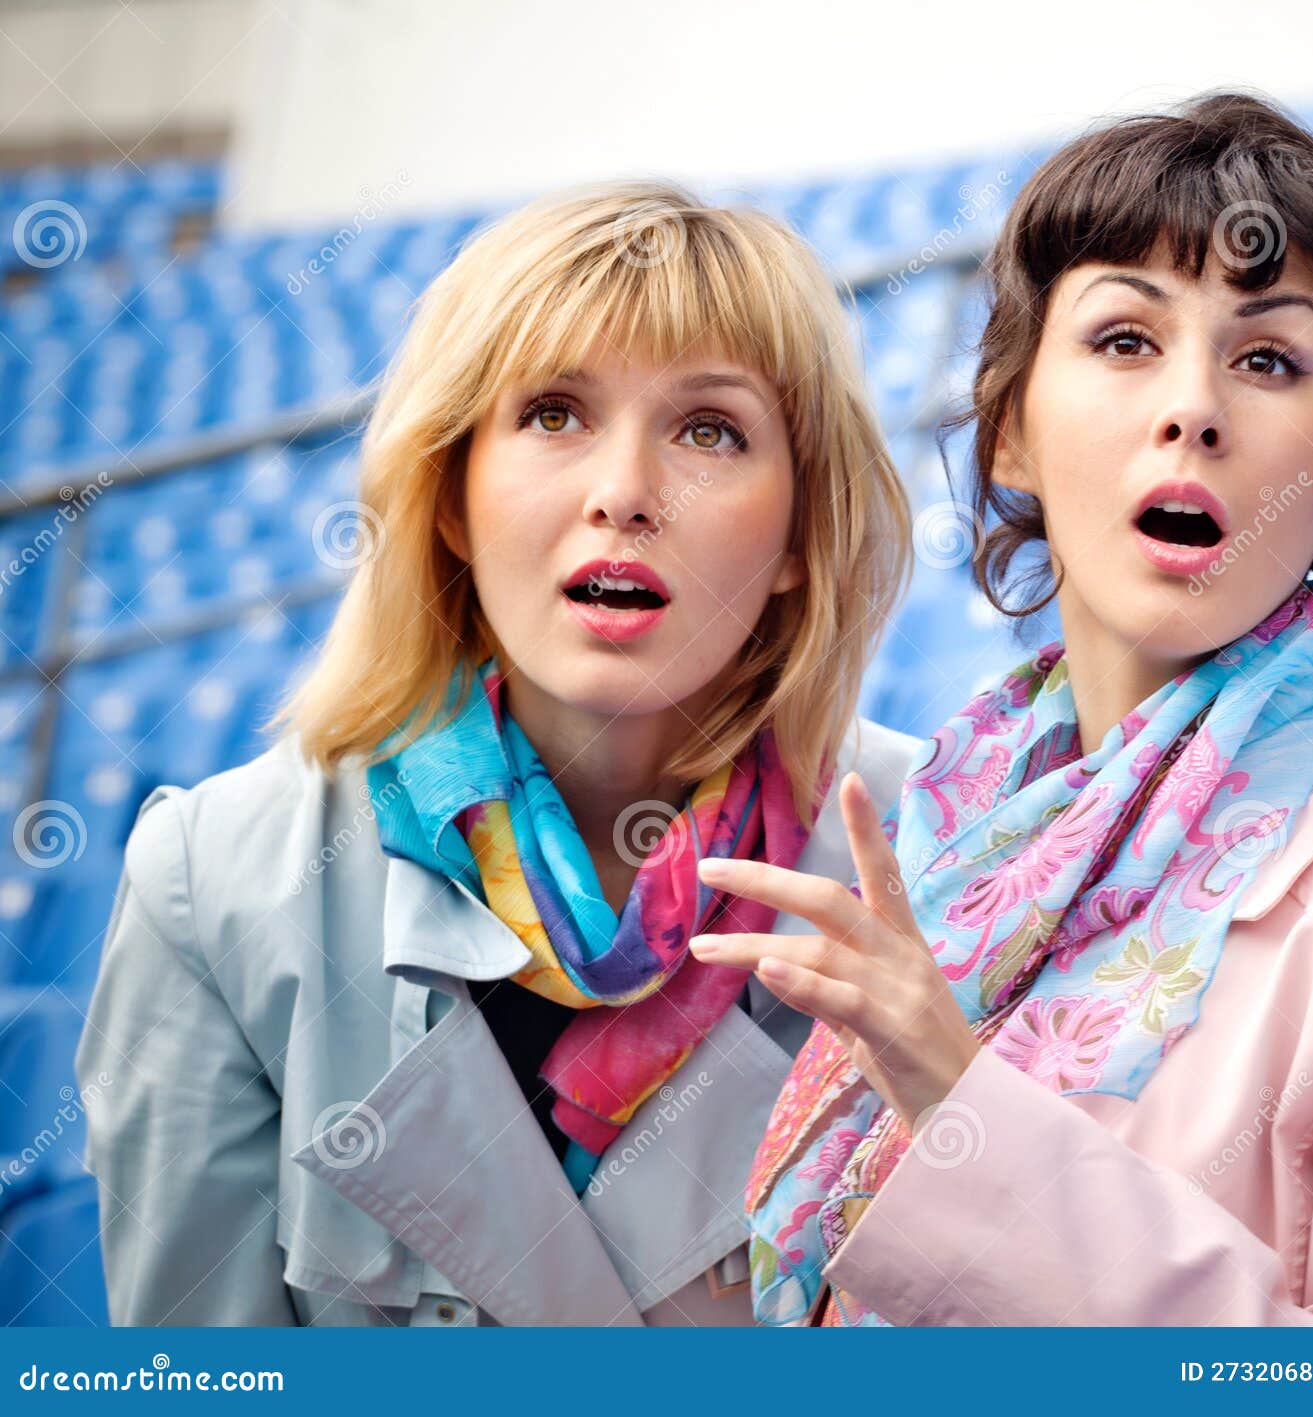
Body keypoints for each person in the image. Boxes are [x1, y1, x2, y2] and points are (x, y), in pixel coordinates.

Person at [690, 93, 1313, 1326]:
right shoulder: (934, 836)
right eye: (1124, 340)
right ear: (1009, 432)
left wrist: (968, 1121)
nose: (1193, 407)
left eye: (1268, 358)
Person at [75, 181, 917, 1326]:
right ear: (452, 499)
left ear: (797, 538)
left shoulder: (937, 847)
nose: (623, 493)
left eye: (709, 430)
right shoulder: (216, 881)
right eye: (554, 414)